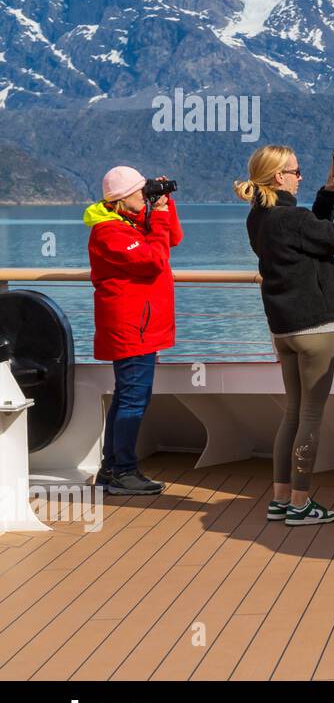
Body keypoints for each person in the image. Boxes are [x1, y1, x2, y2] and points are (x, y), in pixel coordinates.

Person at [236, 145, 334, 527]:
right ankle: (302, 503)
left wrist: (327, 192)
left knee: (292, 412)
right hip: (314, 329)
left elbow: (312, 232)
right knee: (311, 415)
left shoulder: (259, 217)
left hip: (283, 329)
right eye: (296, 171)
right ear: (279, 177)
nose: (300, 176)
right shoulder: (290, 219)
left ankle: (280, 499)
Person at [85, 166, 184, 495]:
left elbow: (173, 239)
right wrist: (154, 215)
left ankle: (111, 469)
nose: (146, 196)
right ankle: (123, 471)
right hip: (131, 327)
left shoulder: (128, 222)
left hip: (141, 325)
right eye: (141, 192)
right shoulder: (109, 233)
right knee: (132, 401)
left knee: (125, 398)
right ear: (120, 199)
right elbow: (154, 260)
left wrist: (164, 206)